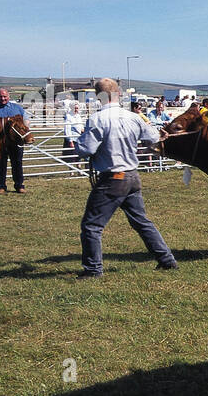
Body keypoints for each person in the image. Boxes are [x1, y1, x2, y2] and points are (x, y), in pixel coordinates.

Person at [74, 78, 178, 278]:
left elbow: (85, 149)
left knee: (91, 226)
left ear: (98, 97)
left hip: (113, 178)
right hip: (132, 176)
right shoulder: (134, 117)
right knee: (141, 221)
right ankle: (167, 260)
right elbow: (154, 138)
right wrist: (161, 135)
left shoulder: (97, 119)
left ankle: (93, 270)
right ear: (119, 94)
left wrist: (81, 139)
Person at [0, 88, 28, 194]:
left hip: (15, 142)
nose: (3, 98)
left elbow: (26, 123)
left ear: (9, 96)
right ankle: (1, 186)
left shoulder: (18, 109)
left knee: (17, 163)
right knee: (0, 164)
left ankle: (19, 185)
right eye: (0, 96)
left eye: (5, 96)